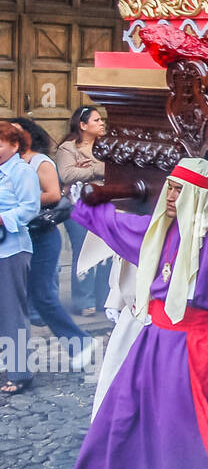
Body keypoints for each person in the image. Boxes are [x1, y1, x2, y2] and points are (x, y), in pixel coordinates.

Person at [52, 159, 208, 469]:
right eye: (170, 186)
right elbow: (115, 224)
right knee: (118, 417)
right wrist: (87, 203)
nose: (171, 196)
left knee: (186, 433)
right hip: (151, 343)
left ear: (199, 197)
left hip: (192, 348)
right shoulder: (157, 230)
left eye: (181, 190)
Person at [13, 118, 93, 368]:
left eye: (14, 134)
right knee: (12, 296)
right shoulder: (8, 163)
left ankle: (80, 342)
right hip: (15, 236)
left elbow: (54, 195)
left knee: (42, 296)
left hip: (41, 236)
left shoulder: (39, 161)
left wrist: (19, 198)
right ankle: (14, 355)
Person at [56, 105, 109, 316]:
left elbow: (114, 171)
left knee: (106, 252)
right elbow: (67, 175)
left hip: (105, 205)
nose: (101, 123)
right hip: (78, 206)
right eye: (96, 120)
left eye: (101, 120)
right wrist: (97, 169)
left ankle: (104, 298)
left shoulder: (108, 147)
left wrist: (86, 169)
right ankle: (83, 300)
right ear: (83, 125)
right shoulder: (67, 149)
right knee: (82, 250)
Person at [0, 122, 40, 394]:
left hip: (12, 249)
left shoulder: (22, 172)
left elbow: (30, 208)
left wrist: (3, 218)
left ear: (15, 145)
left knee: (12, 312)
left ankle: (20, 372)